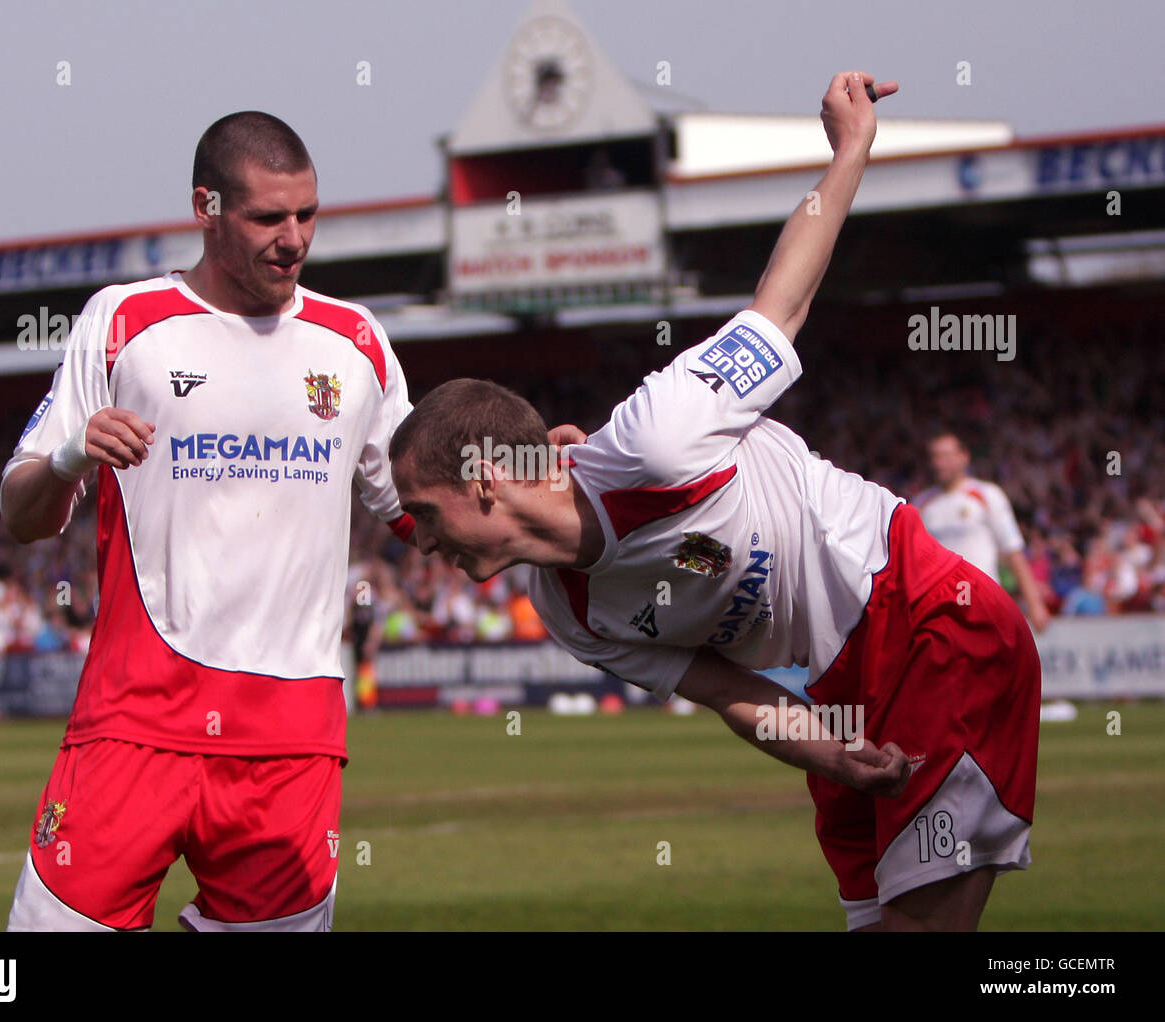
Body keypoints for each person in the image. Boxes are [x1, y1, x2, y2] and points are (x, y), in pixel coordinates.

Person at [387, 72, 1040, 931]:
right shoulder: (569, 611)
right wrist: (827, 751)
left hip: (921, 611)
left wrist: (851, 151)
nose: (420, 544)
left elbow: (784, 300)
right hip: (834, 687)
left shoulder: (659, 438)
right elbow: (731, 692)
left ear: (480, 481)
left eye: (424, 515)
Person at [0, 111, 416, 931]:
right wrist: (67, 459)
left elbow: (419, 510)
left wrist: (528, 475)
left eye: (307, 215)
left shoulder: (357, 342)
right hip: (135, 724)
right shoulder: (122, 323)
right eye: (267, 217)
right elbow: (21, 513)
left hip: (293, 742)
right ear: (206, 206)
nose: (293, 239)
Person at [915, 432, 1052, 632]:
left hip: (981, 601)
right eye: (935, 457)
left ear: (964, 457)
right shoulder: (922, 504)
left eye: (946, 456)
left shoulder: (987, 495)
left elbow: (1013, 552)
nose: (940, 463)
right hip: (939, 608)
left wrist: (1035, 605)